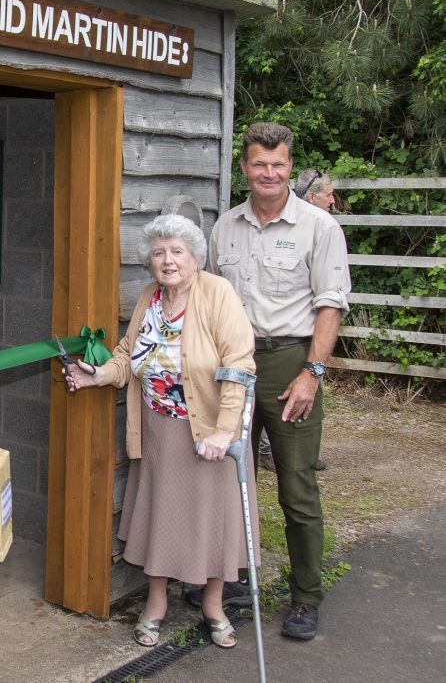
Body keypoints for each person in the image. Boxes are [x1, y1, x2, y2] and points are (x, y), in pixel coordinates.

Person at [64, 214, 257, 650]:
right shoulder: (151, 296)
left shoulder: (217, 294)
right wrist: (99, 375)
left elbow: (239, 367)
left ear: (194, 258)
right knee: (160, 517)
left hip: (208, 430)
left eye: (176, 252)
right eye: (158, 252)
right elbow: (130, 351)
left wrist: (224, 433)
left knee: (212, 520)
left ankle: (213, 605)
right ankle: (156, 605)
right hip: (157, 427)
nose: (167, 261)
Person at [208, 122, 351, 641]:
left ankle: (305, 597)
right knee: (229, 481)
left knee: (296, 487)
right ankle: (235, 580)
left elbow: (330, 306)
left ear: (291, 167)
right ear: (244, 168)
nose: (269, 173)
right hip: (232, 367)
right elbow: (209, 304)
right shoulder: (224, 228)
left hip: (291, 364)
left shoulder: (318, 227)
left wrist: (312, 374)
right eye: (259, 164)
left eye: (279, 164)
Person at [257, 167, 337, 472]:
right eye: (328, 194)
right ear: (313, 196)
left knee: (306, 388)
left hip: (306, 337)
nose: (333, 200)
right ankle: (270, 450)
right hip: (274, 342)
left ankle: (303, 450)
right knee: (276, 394)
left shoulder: (324, 227)